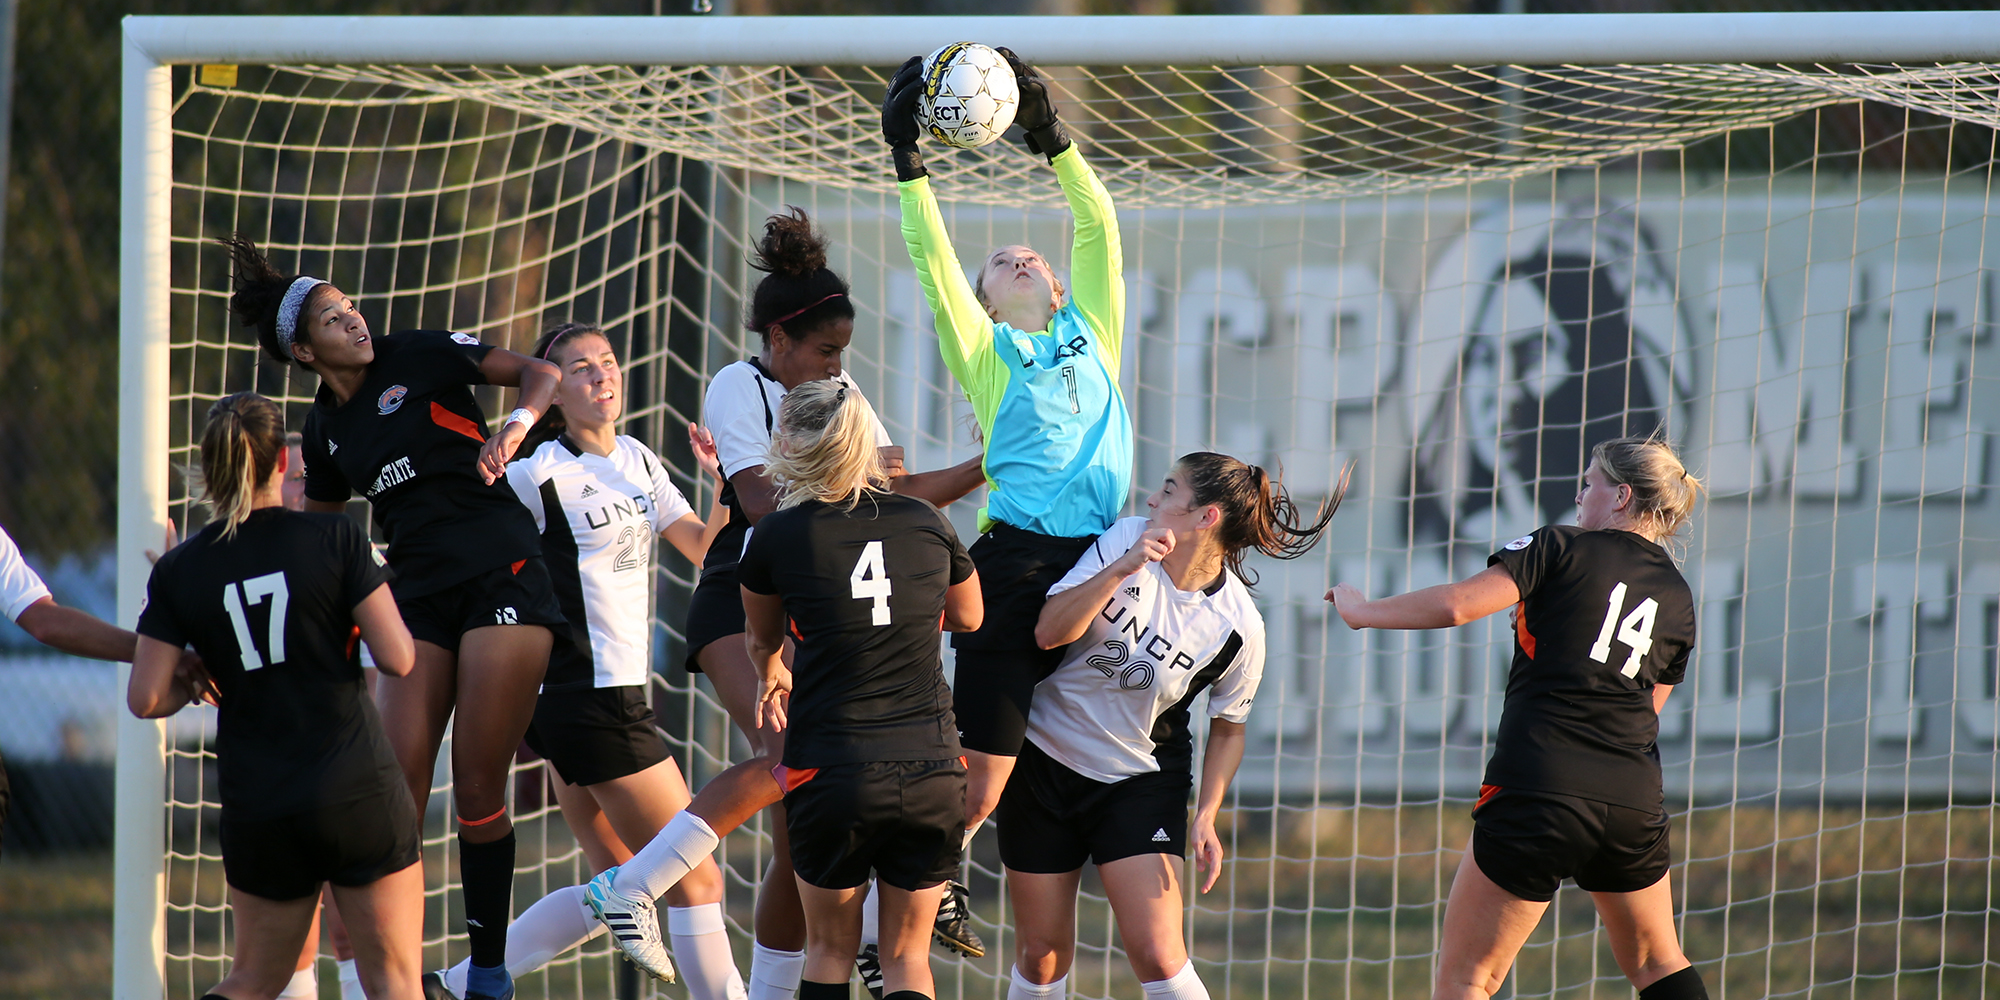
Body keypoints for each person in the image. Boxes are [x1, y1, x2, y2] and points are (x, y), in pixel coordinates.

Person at [222, 237, 565, 1000]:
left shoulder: (419, 353)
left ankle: (488, 975)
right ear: (303, 352)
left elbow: (541, 373)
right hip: (417, 595)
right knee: (391, 801)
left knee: (476, 787)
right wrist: (231, 569)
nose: (353, 319)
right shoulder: (324, 431)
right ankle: (390, 981)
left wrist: (514, 427)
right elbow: (319, 543)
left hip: (503, 570)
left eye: (349, 306)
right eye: (331, 318)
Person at [675, 209, 984, 996]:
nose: (836, 367)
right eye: (825, 351)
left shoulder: (839, 394)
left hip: (815, 593)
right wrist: (857, 483)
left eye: (843, 353)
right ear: (779, 340)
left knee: (804, 813)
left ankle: (862, 936)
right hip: (745, 593)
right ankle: (635, 883)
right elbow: (764, 506)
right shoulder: (738, 385)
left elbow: (891, 497)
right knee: (788, 768)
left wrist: (990, 463)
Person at [421, 321, 742, 999]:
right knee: (697, 879)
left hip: (593, 698)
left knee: (617, 878)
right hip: (585, 693)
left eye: (607, 360)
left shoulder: (639, 459)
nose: (601, 374)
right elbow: (463, 543)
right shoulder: (535, 472)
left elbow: (704, 549)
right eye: (580, 367)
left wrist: (722, 484)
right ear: (554, 391)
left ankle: (448, 986)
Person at [1326, 436, 1710, 1000]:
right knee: (1658, 963)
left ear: (1622, 496)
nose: (1578, 495)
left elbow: (1458, 605)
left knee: (1468, 980)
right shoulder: (1678, 595)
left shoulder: (1560, 546)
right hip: (1632, 800)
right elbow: (1648, 707)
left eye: (1590, 483)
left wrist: (1362, 611)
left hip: (1540, 786)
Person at [885, 47, 1133, 847]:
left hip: (1105, 562)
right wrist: (908, 162)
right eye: (1000, 262)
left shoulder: (1092, 330)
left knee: (1114, 760)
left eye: (1032, 258)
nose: (1019, 259)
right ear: (986, 302)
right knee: (978, 789)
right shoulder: (986, 353)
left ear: (1058, 288)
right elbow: (934, 263)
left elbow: (1099, 225)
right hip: (1018, 568)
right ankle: (915, 888)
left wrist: (1054, 138)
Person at [1001, 453, 1336, 1000]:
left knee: (1159, 955)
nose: (1152, 499)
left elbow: (1229, 726)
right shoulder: (1126, 539)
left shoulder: (1238, 626)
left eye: (1169, 489)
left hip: (1136, 782)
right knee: (1041, 957)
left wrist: (1206, 814)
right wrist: (1122, 568)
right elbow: (1048, 633)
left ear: (1205, 516)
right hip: (1043, 761)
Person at [128, 392, 423, 1000]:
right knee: (394, 982)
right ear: (283, 463)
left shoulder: (181, 569)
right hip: (353, 785)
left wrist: (196, 666)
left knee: (253, 981)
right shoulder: (336, 537)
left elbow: (146, 698)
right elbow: (398, 657)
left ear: (211, 468)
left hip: (260, 800)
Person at [739, 379, 982, 1000]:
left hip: (834, 767)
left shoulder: (779, 533)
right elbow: (971, 615)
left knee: (829, 951)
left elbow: (762, 638)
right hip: (932, 765)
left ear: (789, 443)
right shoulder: (926, 520)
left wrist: (771, 670)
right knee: (906, 958)